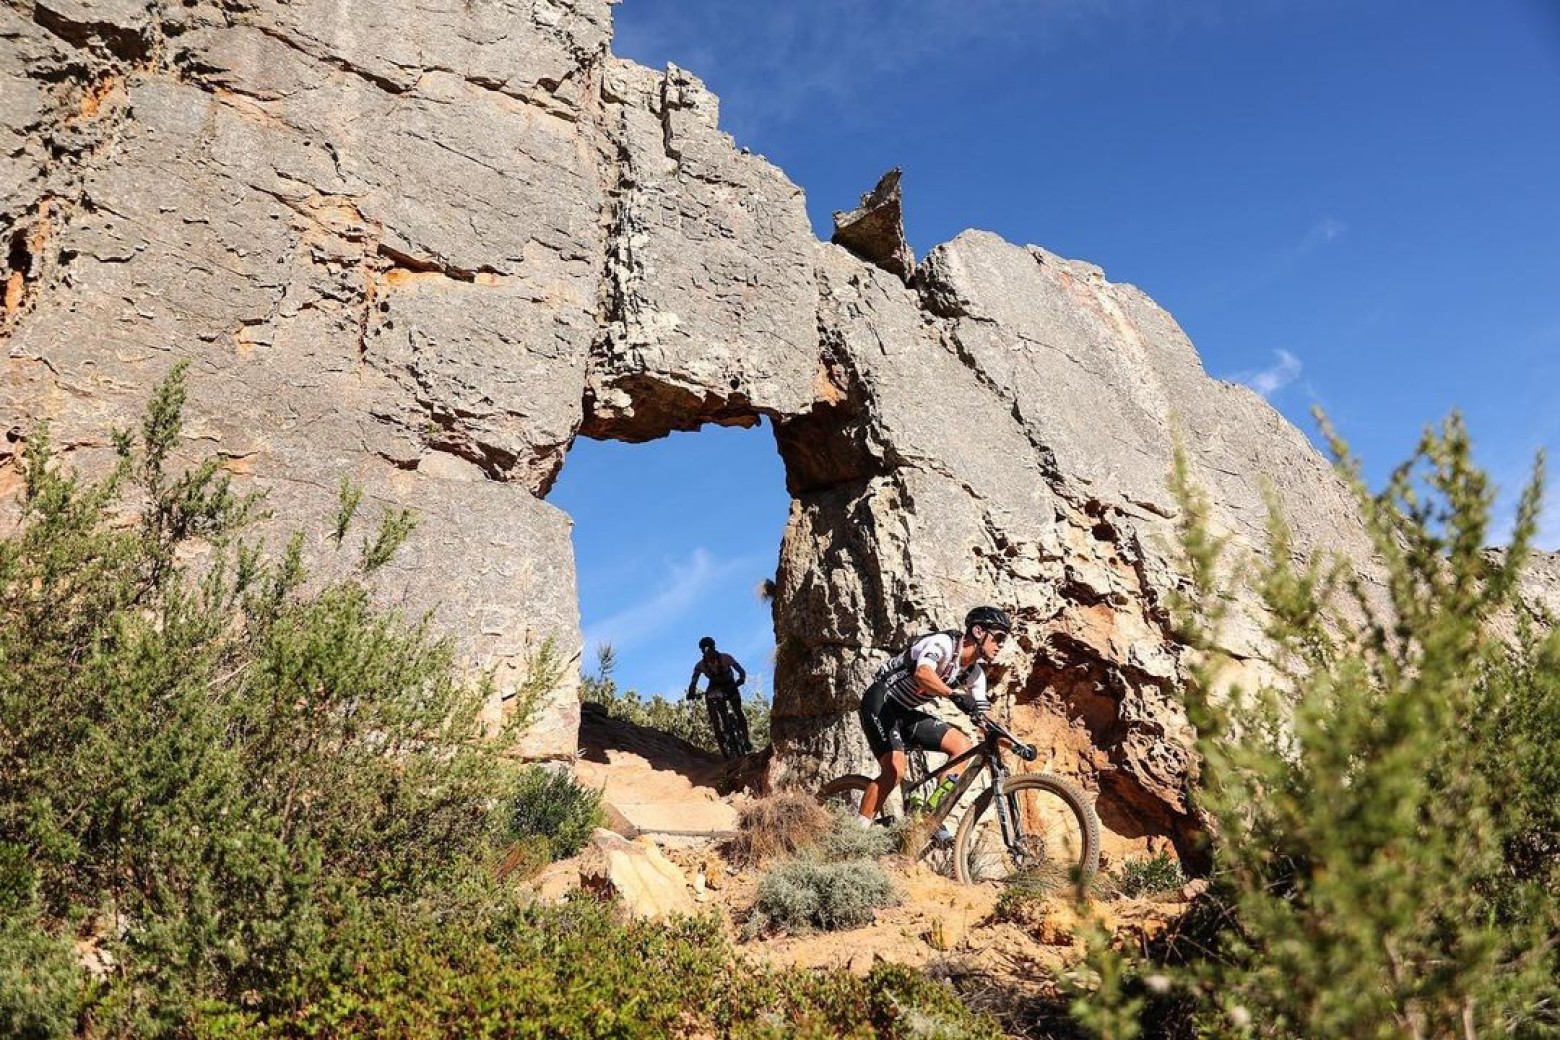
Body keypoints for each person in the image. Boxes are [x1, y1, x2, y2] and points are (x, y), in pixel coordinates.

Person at [856, 606, 1013, 829]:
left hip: (906, 712)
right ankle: (855, 833)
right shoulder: (943, 644)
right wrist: (954, 695)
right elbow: (922, 674)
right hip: (881, 703)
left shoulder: (974, 674)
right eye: (998, 638)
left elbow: (985, 716)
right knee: (894, 771)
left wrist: (1013, 744)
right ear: (978, 632)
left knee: (961, 746)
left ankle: (929, 816)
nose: (1000, 646)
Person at [686, 636, 753, 759]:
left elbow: (740, 670)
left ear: (714, 648)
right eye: (705, 650)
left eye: (710, 649)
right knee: (710, 702)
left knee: (738, 711)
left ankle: (746, 739)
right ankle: (718, 733)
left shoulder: (726, 658)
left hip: (730, 685)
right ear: (702, 651)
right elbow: (694, 680)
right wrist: (691, 691)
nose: (708, 652)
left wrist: (741, 679)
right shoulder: (700, 665)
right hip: (715, 687)